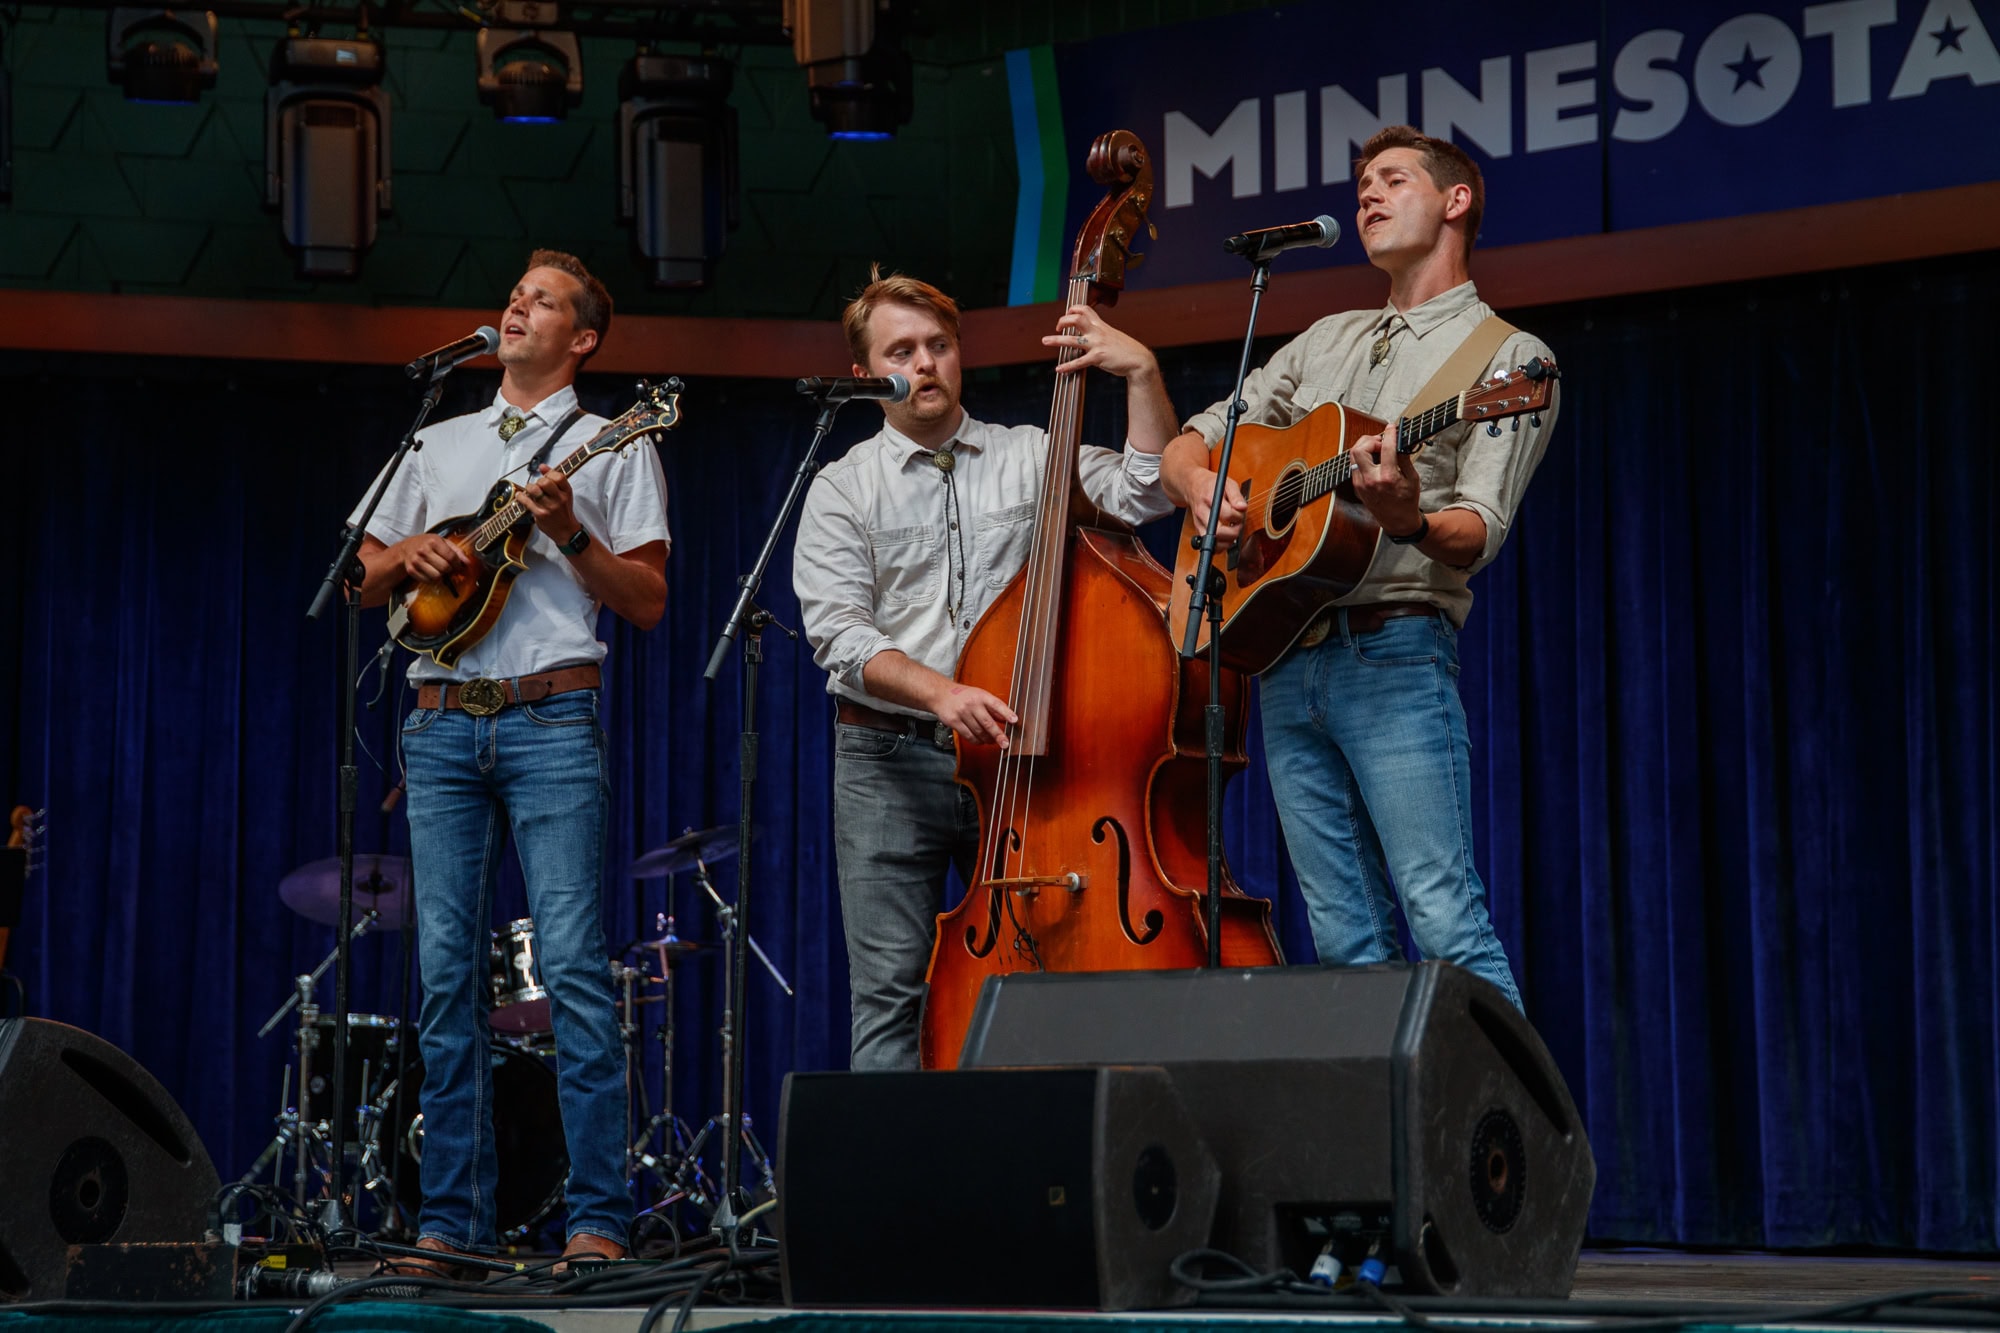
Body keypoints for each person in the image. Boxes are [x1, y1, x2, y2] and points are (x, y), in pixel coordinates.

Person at [1161, 127, 1559, 1012]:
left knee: (1444, 914)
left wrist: (1408, 517)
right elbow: (1195, 440)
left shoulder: (1507, 360)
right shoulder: (1322, 337)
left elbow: (1478, 529)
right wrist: (1197, 487)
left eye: (1393, 180)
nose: (1367, 196)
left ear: (1456, 201)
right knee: (1343, 935)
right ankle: (1395, 1142)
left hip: (1396, 655)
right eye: (1360, 185)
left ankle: (1524, 1144)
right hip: (1286, 657)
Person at [354, 250, 669, 1274]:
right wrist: (413, 556)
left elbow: (647, 601)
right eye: (515, 295)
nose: (516, 306)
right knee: (444, 979)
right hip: (439, 724)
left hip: (549, 721)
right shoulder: (434, 439)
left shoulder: (613, 440)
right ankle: (450, 1222)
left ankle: (598, 1222)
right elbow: (364, 575)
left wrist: (572, 535)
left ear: (581, 339)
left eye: (542, 301)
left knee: (573, 969)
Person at [793, 268, 1180, 1071]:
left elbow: (1144, 492)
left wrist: (1141, 372)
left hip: (1019, 760)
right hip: (887, 760)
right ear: (867, 374)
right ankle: (897, 1195)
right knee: (891, 993)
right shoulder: (841, 488)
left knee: (1041, 974)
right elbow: (838, 634)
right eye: (904, 349)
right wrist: (943, 692)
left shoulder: (1030, 454)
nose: (927, 362)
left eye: (940, 345)